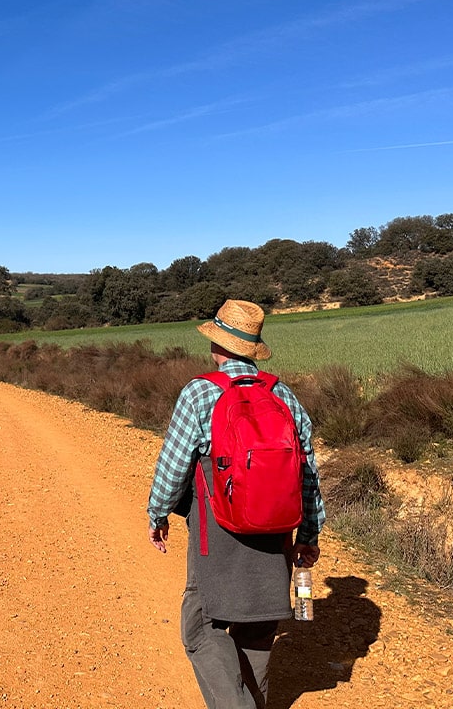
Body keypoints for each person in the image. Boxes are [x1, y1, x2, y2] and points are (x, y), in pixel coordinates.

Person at [147, 299, 325, 709]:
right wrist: (309, 535)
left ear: (217, 345)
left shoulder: (199, 392)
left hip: (218, 533)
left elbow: (173, 467)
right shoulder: (283, 395)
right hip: (277, 534)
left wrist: (158, 513)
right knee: (258, 631)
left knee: (201, 626)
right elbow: (308, 473)